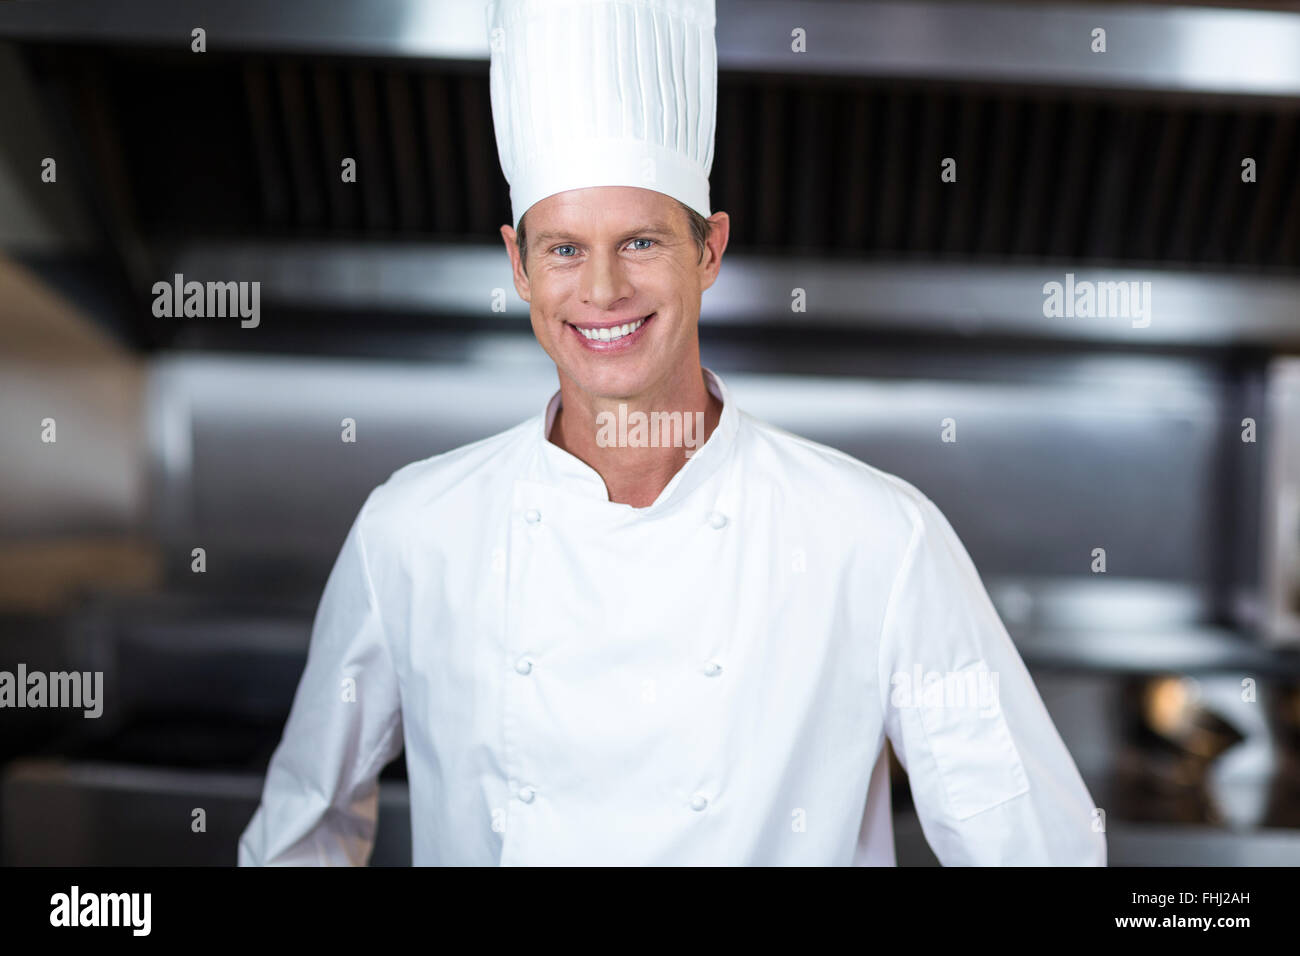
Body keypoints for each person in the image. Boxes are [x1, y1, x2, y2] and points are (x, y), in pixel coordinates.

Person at [238, 0, 1106, 866]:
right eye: (565, 250)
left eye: (643, 241)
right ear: (518, 265)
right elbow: (300, 831)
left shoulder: (876, 538)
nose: (604, 290)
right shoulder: (411, 532)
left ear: (710, 250)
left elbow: (1038, 849)